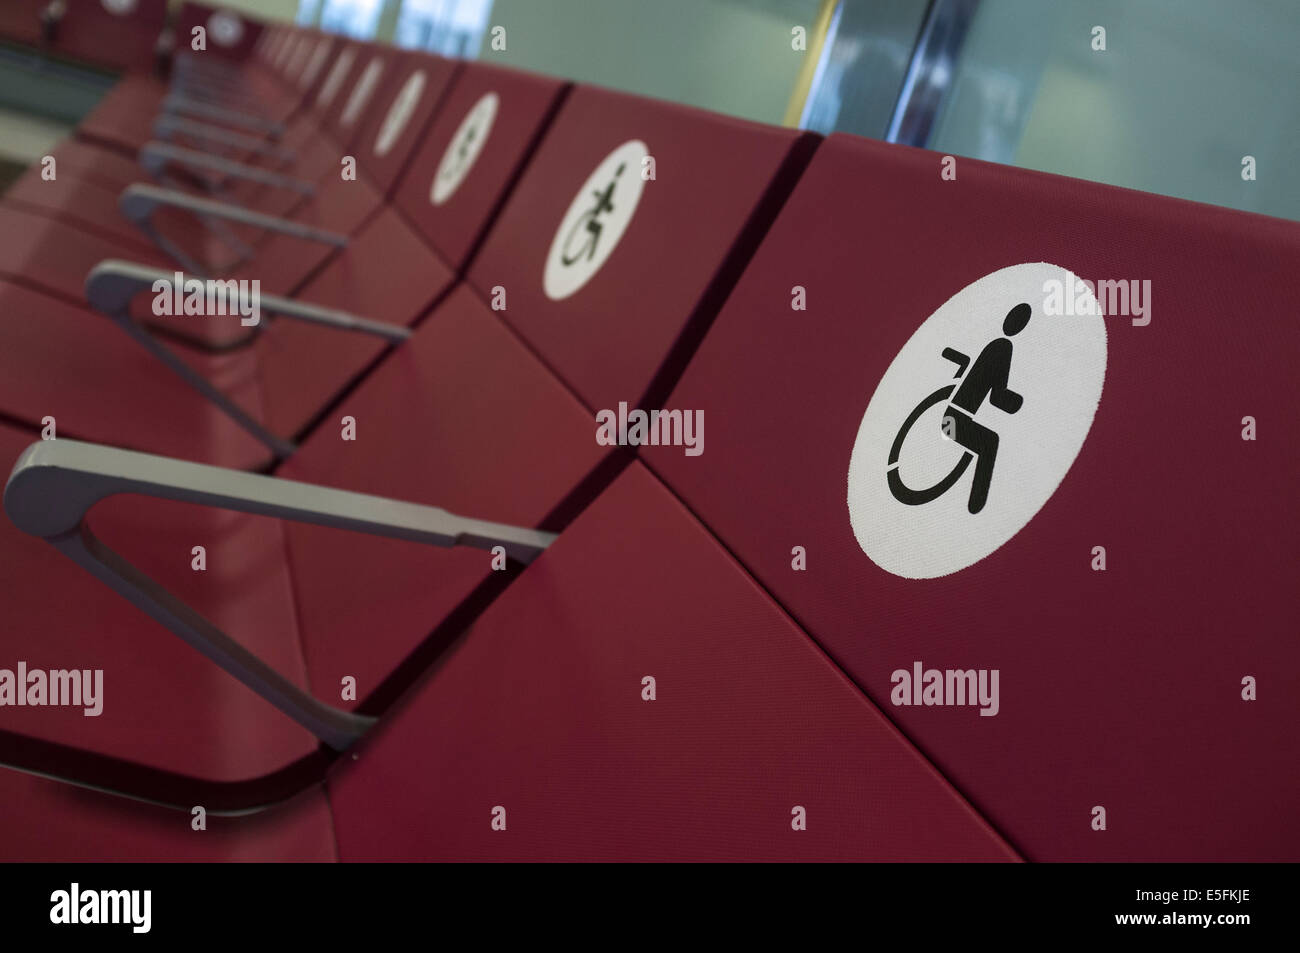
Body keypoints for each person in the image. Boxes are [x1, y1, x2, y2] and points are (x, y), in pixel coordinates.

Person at [939, 303, 1030, 514]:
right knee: (990, 443)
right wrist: (1016, 402)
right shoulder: (1004, 348)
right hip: (956, 421)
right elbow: (997, 397)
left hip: (949, 418)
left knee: (985, 441)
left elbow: (971, 369)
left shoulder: (993, 344)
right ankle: (976, 503)